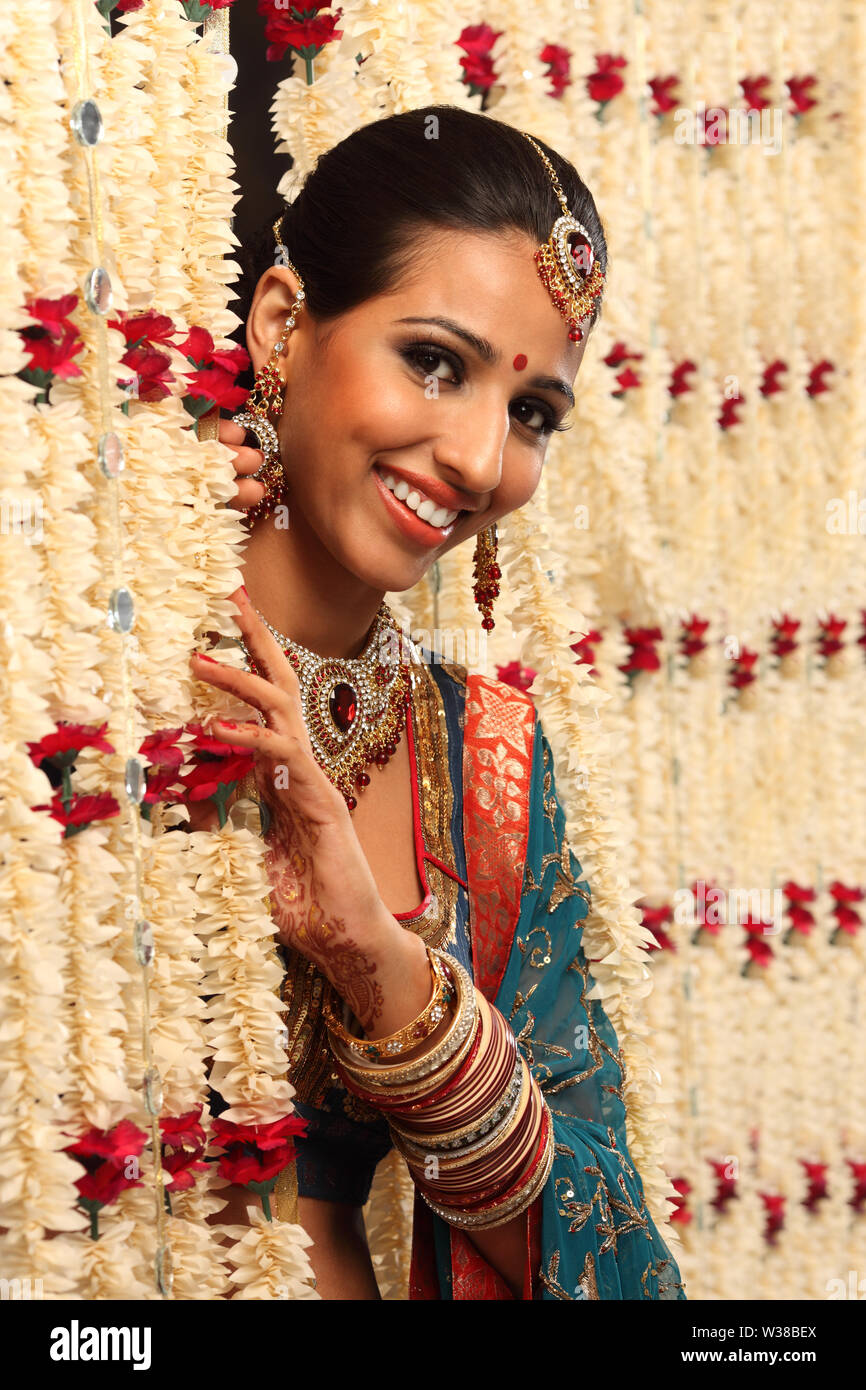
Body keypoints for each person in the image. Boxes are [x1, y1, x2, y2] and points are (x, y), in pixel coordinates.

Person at [189, 104, 685, 1301]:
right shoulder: (72, 658)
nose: (476, 458)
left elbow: (609, 1267)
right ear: (282, 324)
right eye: (433, 360)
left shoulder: (487, 767)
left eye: (530, 416)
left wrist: (383, 970)